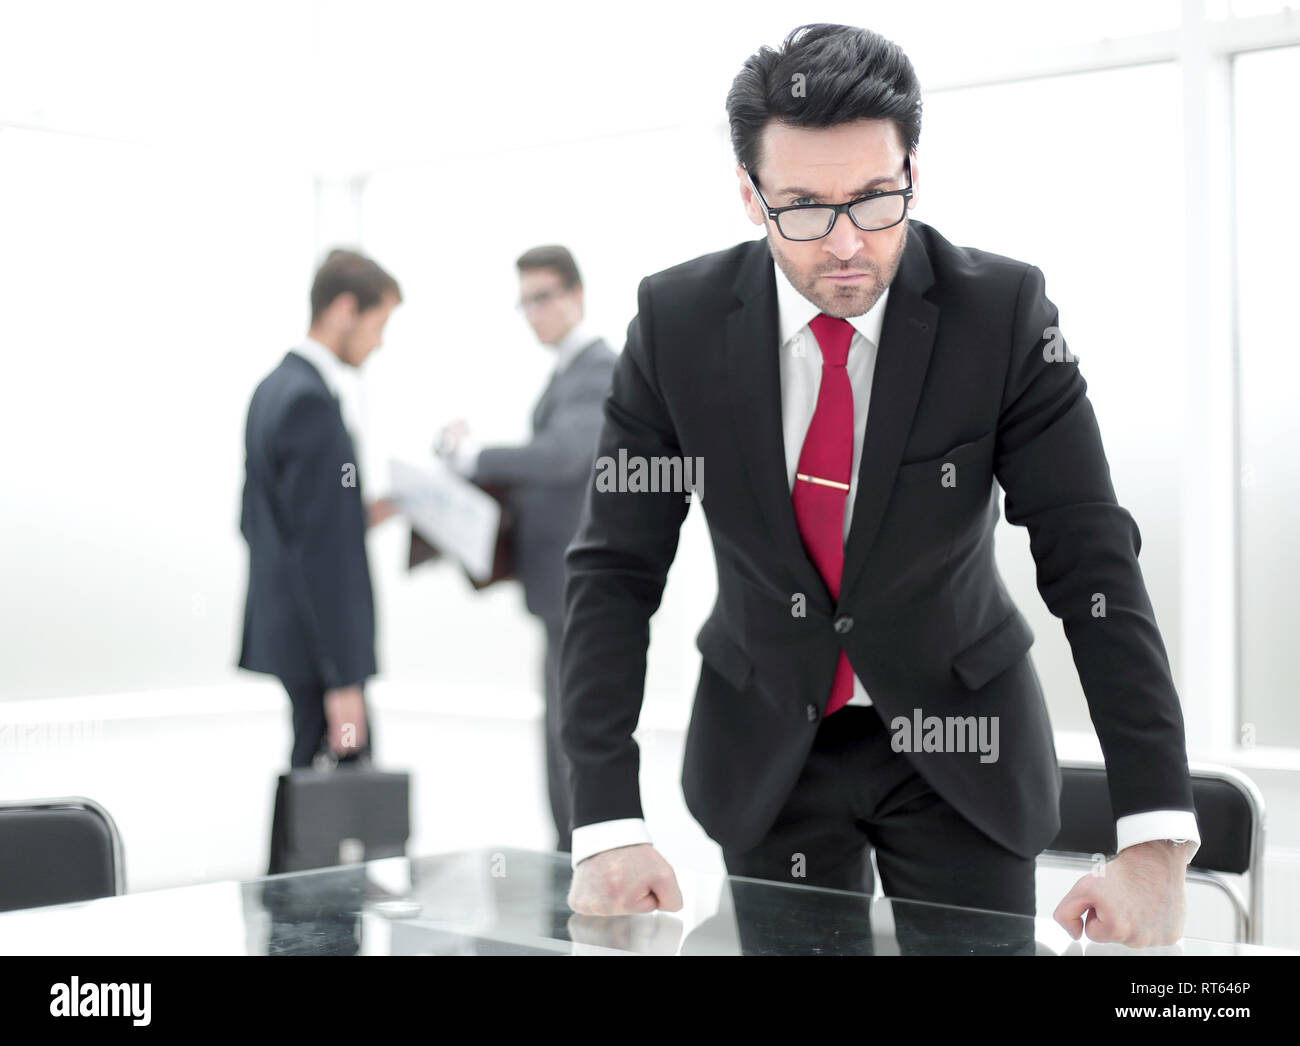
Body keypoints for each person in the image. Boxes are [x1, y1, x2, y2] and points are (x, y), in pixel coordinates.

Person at [561, 23, 1201, 949]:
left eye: (874, 198)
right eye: (805, 209)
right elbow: (614, 573)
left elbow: (1090, 557)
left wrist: (1150, 837)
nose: (847, 243)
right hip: (768, 750)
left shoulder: (1004, 316)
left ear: (913, 174)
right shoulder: (675, 325)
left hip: (961, 750)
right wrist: (608, 823)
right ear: (750, 197)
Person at [438, 246, 617, 854]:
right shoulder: (566, 374)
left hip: (577, 589)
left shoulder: (595, 369)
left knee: (573, 734)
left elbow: (565, 456)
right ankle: (572, 859)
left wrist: (475, 459)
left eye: (543, 297)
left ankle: (581, 861)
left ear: (577, 296)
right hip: (557, 590)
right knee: (562, 731)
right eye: (525, 302)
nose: (533, 313)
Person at [238, 248, 402, 770]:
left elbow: (260, 521)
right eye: (380, 323)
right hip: (323, 658)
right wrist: (344, 679)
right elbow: (320, 552)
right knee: (336, 810)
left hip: (295, 642)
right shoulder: (310, 401)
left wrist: (361, 513)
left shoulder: (272, 390)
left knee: (311, 792)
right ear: (344, 310)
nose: (380, 342)